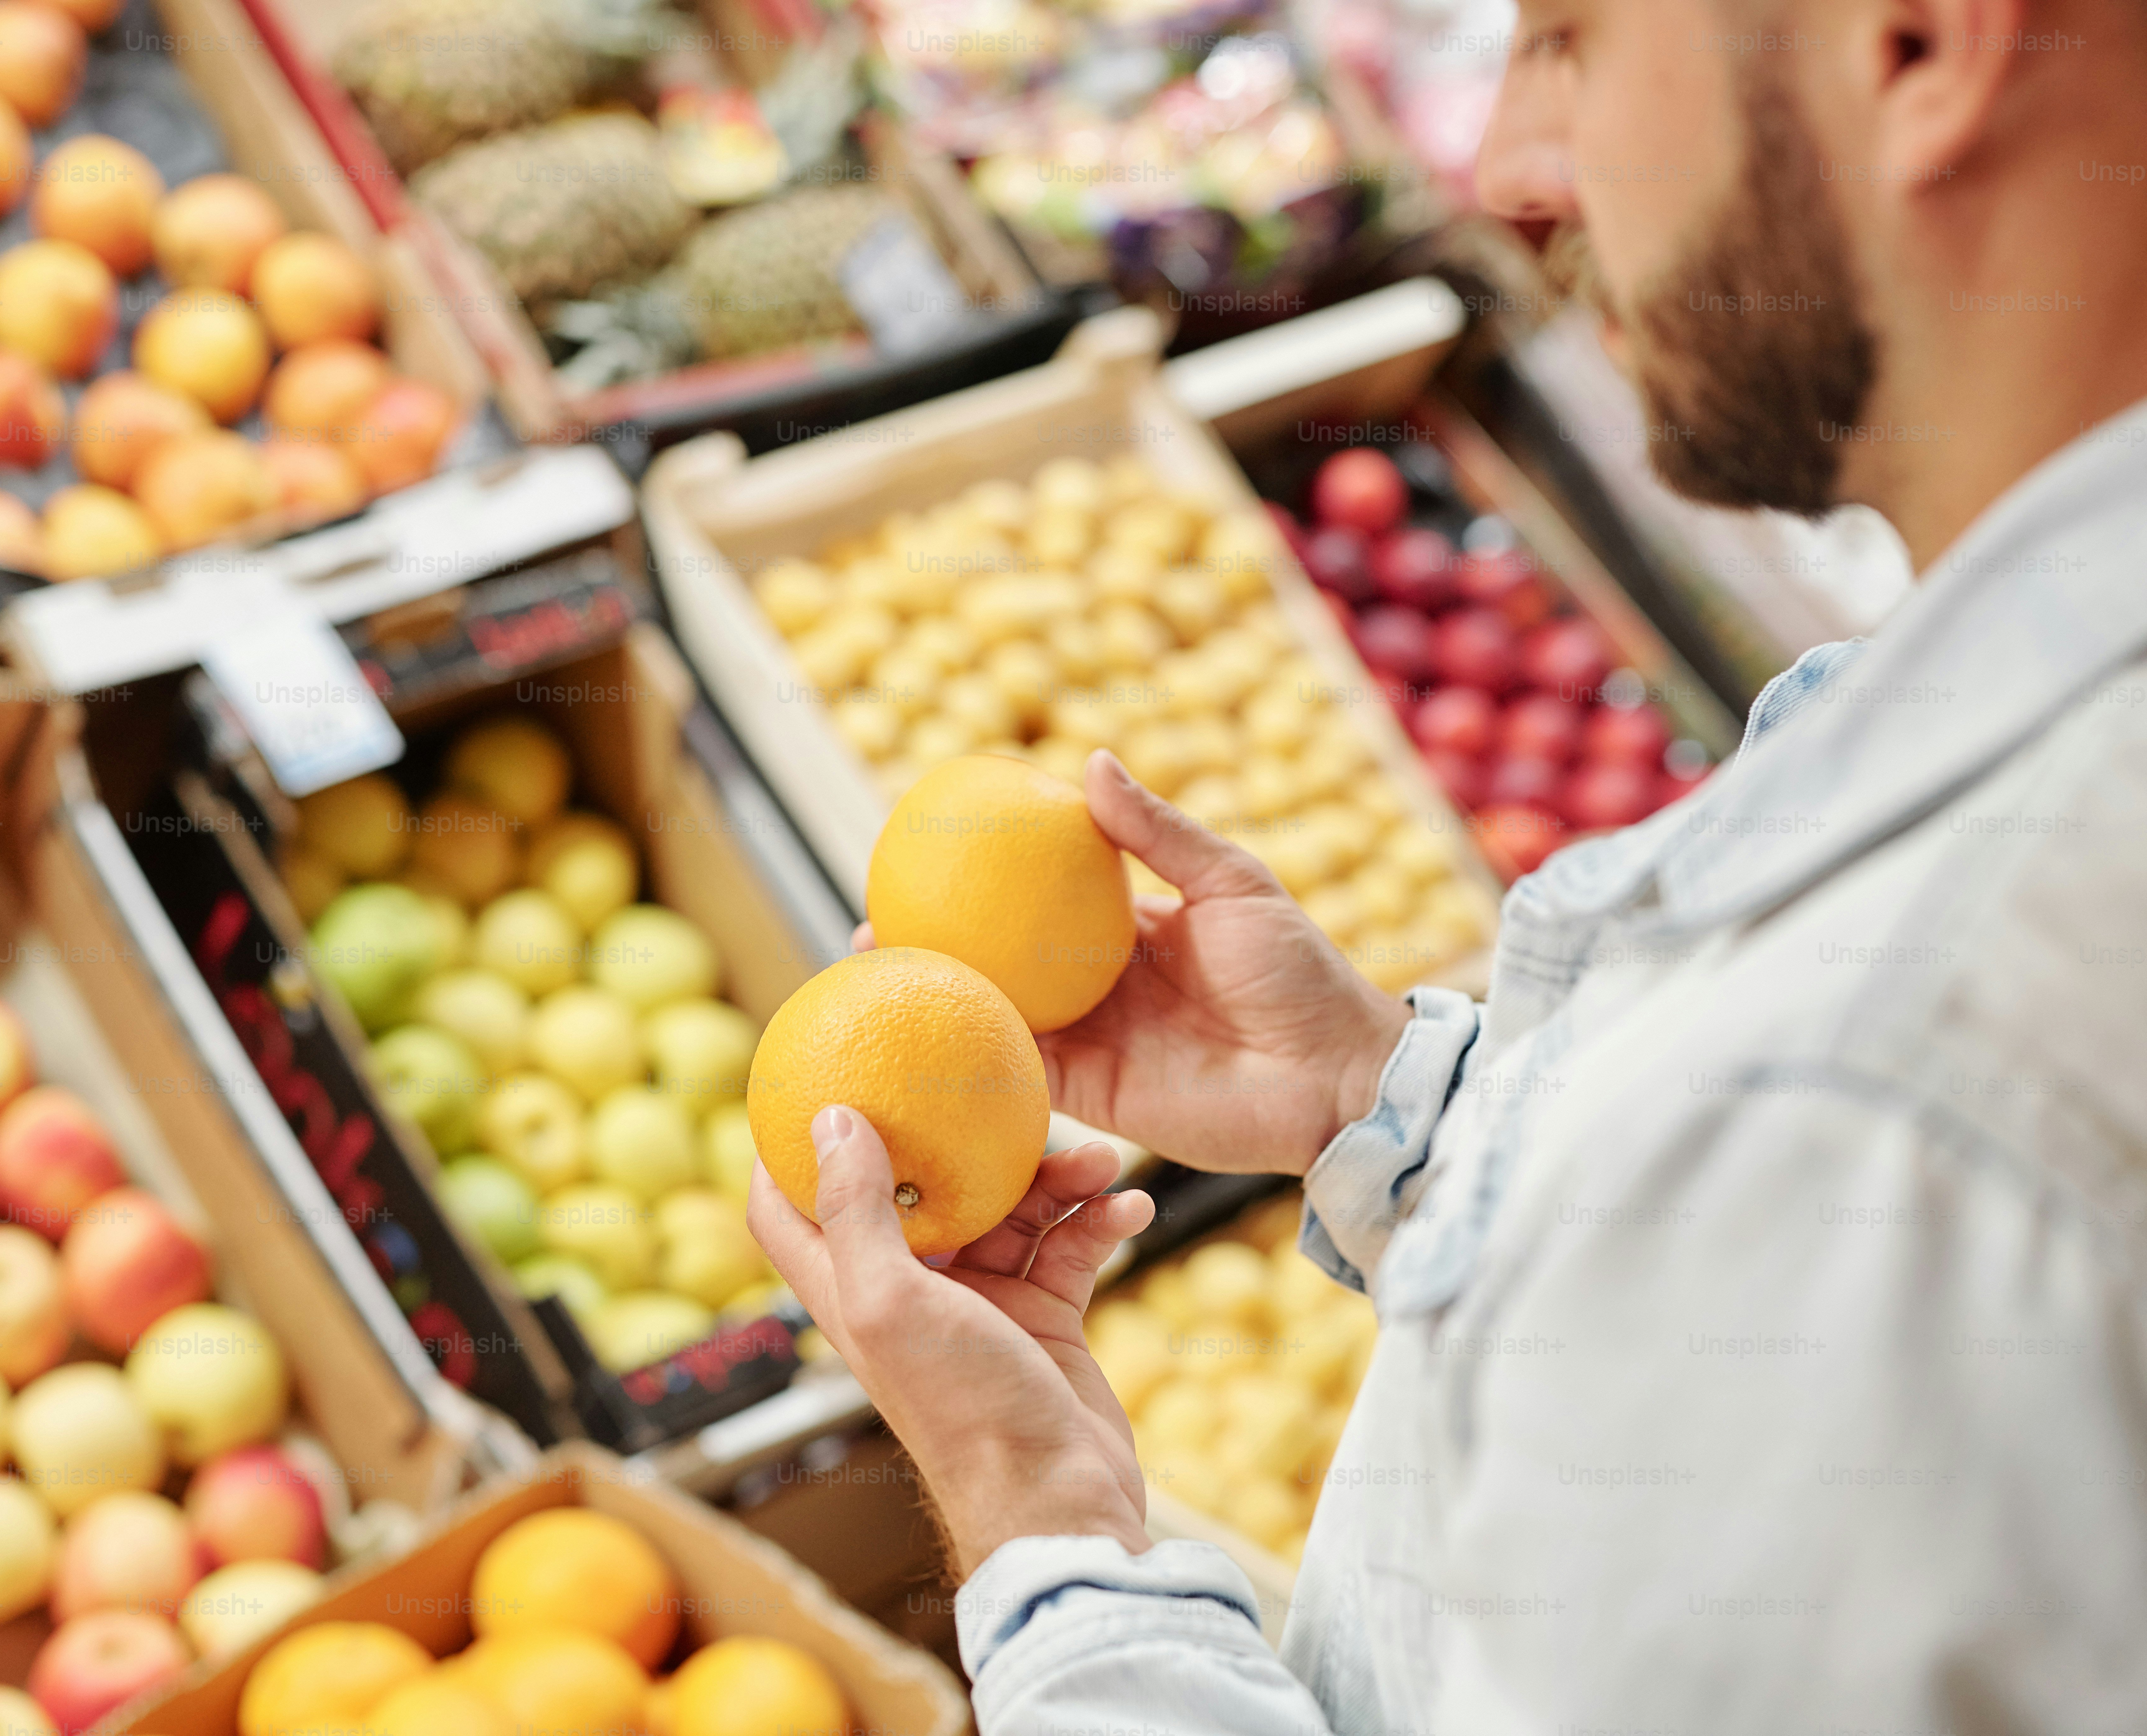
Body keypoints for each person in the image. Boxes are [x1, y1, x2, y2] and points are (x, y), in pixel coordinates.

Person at [747, 0, 2147, 1727]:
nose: (1509, 172)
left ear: (1923, 46)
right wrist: (1385, 1103)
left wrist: (1041, 1521)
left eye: (1572, 41)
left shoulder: (1876, 1101)